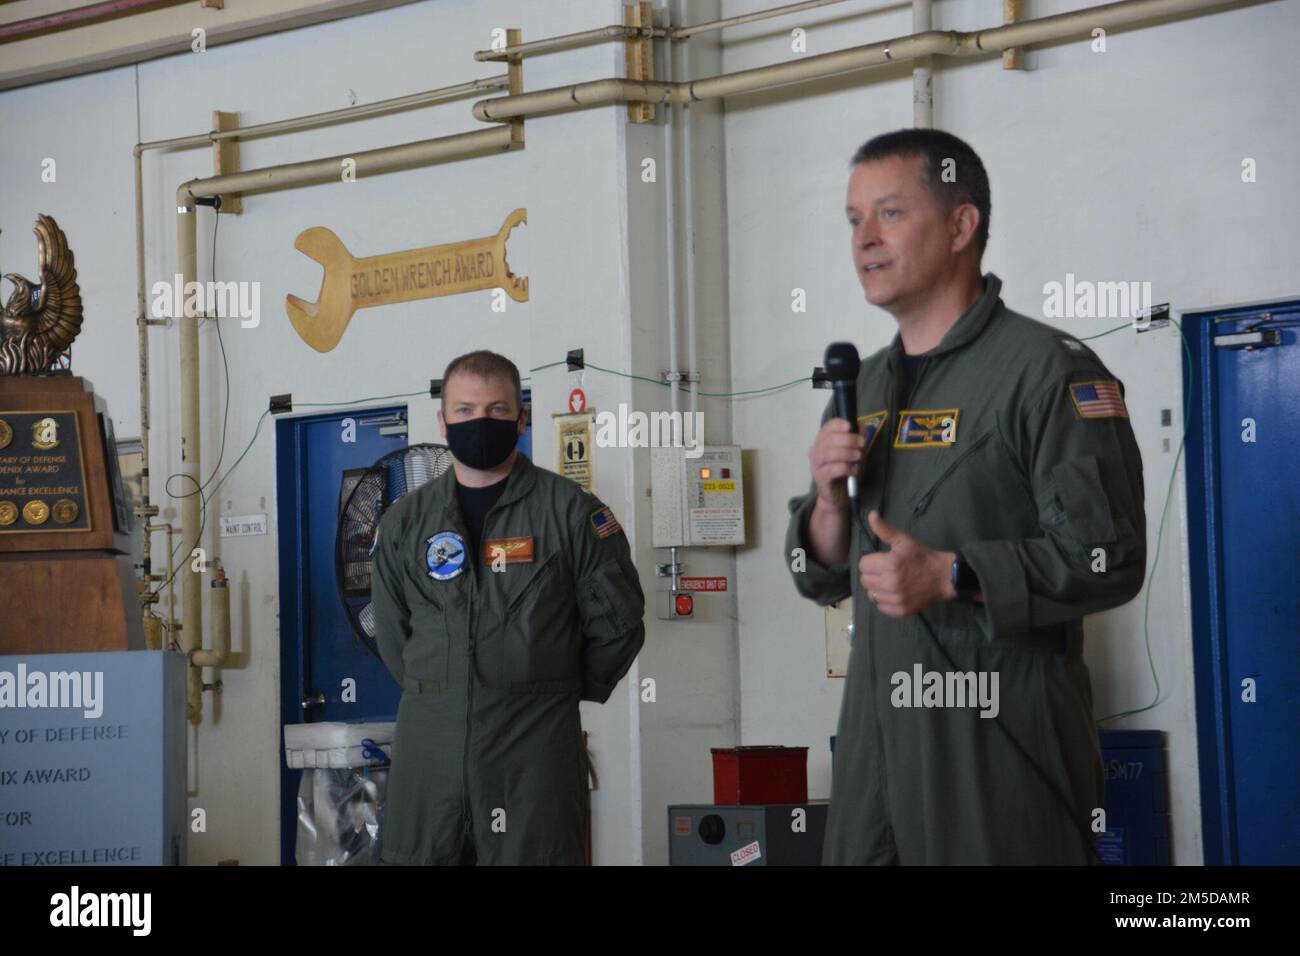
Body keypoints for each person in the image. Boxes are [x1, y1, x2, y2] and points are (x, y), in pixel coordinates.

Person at [785, 128, 1147, 864]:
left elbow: (1111, 558)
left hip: (1000, 745)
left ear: (961, 225)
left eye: (888, 213)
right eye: (853, 220)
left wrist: (954, 574)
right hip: (875, 751)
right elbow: (825, 570)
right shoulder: (865, 387)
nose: (864, 241)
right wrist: (826, 505)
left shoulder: (1049, 373)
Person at [372, 350, 645, 865]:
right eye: (465, 410)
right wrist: (444, 687)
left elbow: (619, 626)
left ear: (522, 418)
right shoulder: (407, 522)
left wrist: (547, 685)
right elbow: (393, 636)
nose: (480, 422)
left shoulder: (570, 513)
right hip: (430, 757)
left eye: (497, 411)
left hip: (533, 756)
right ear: (443, 421)